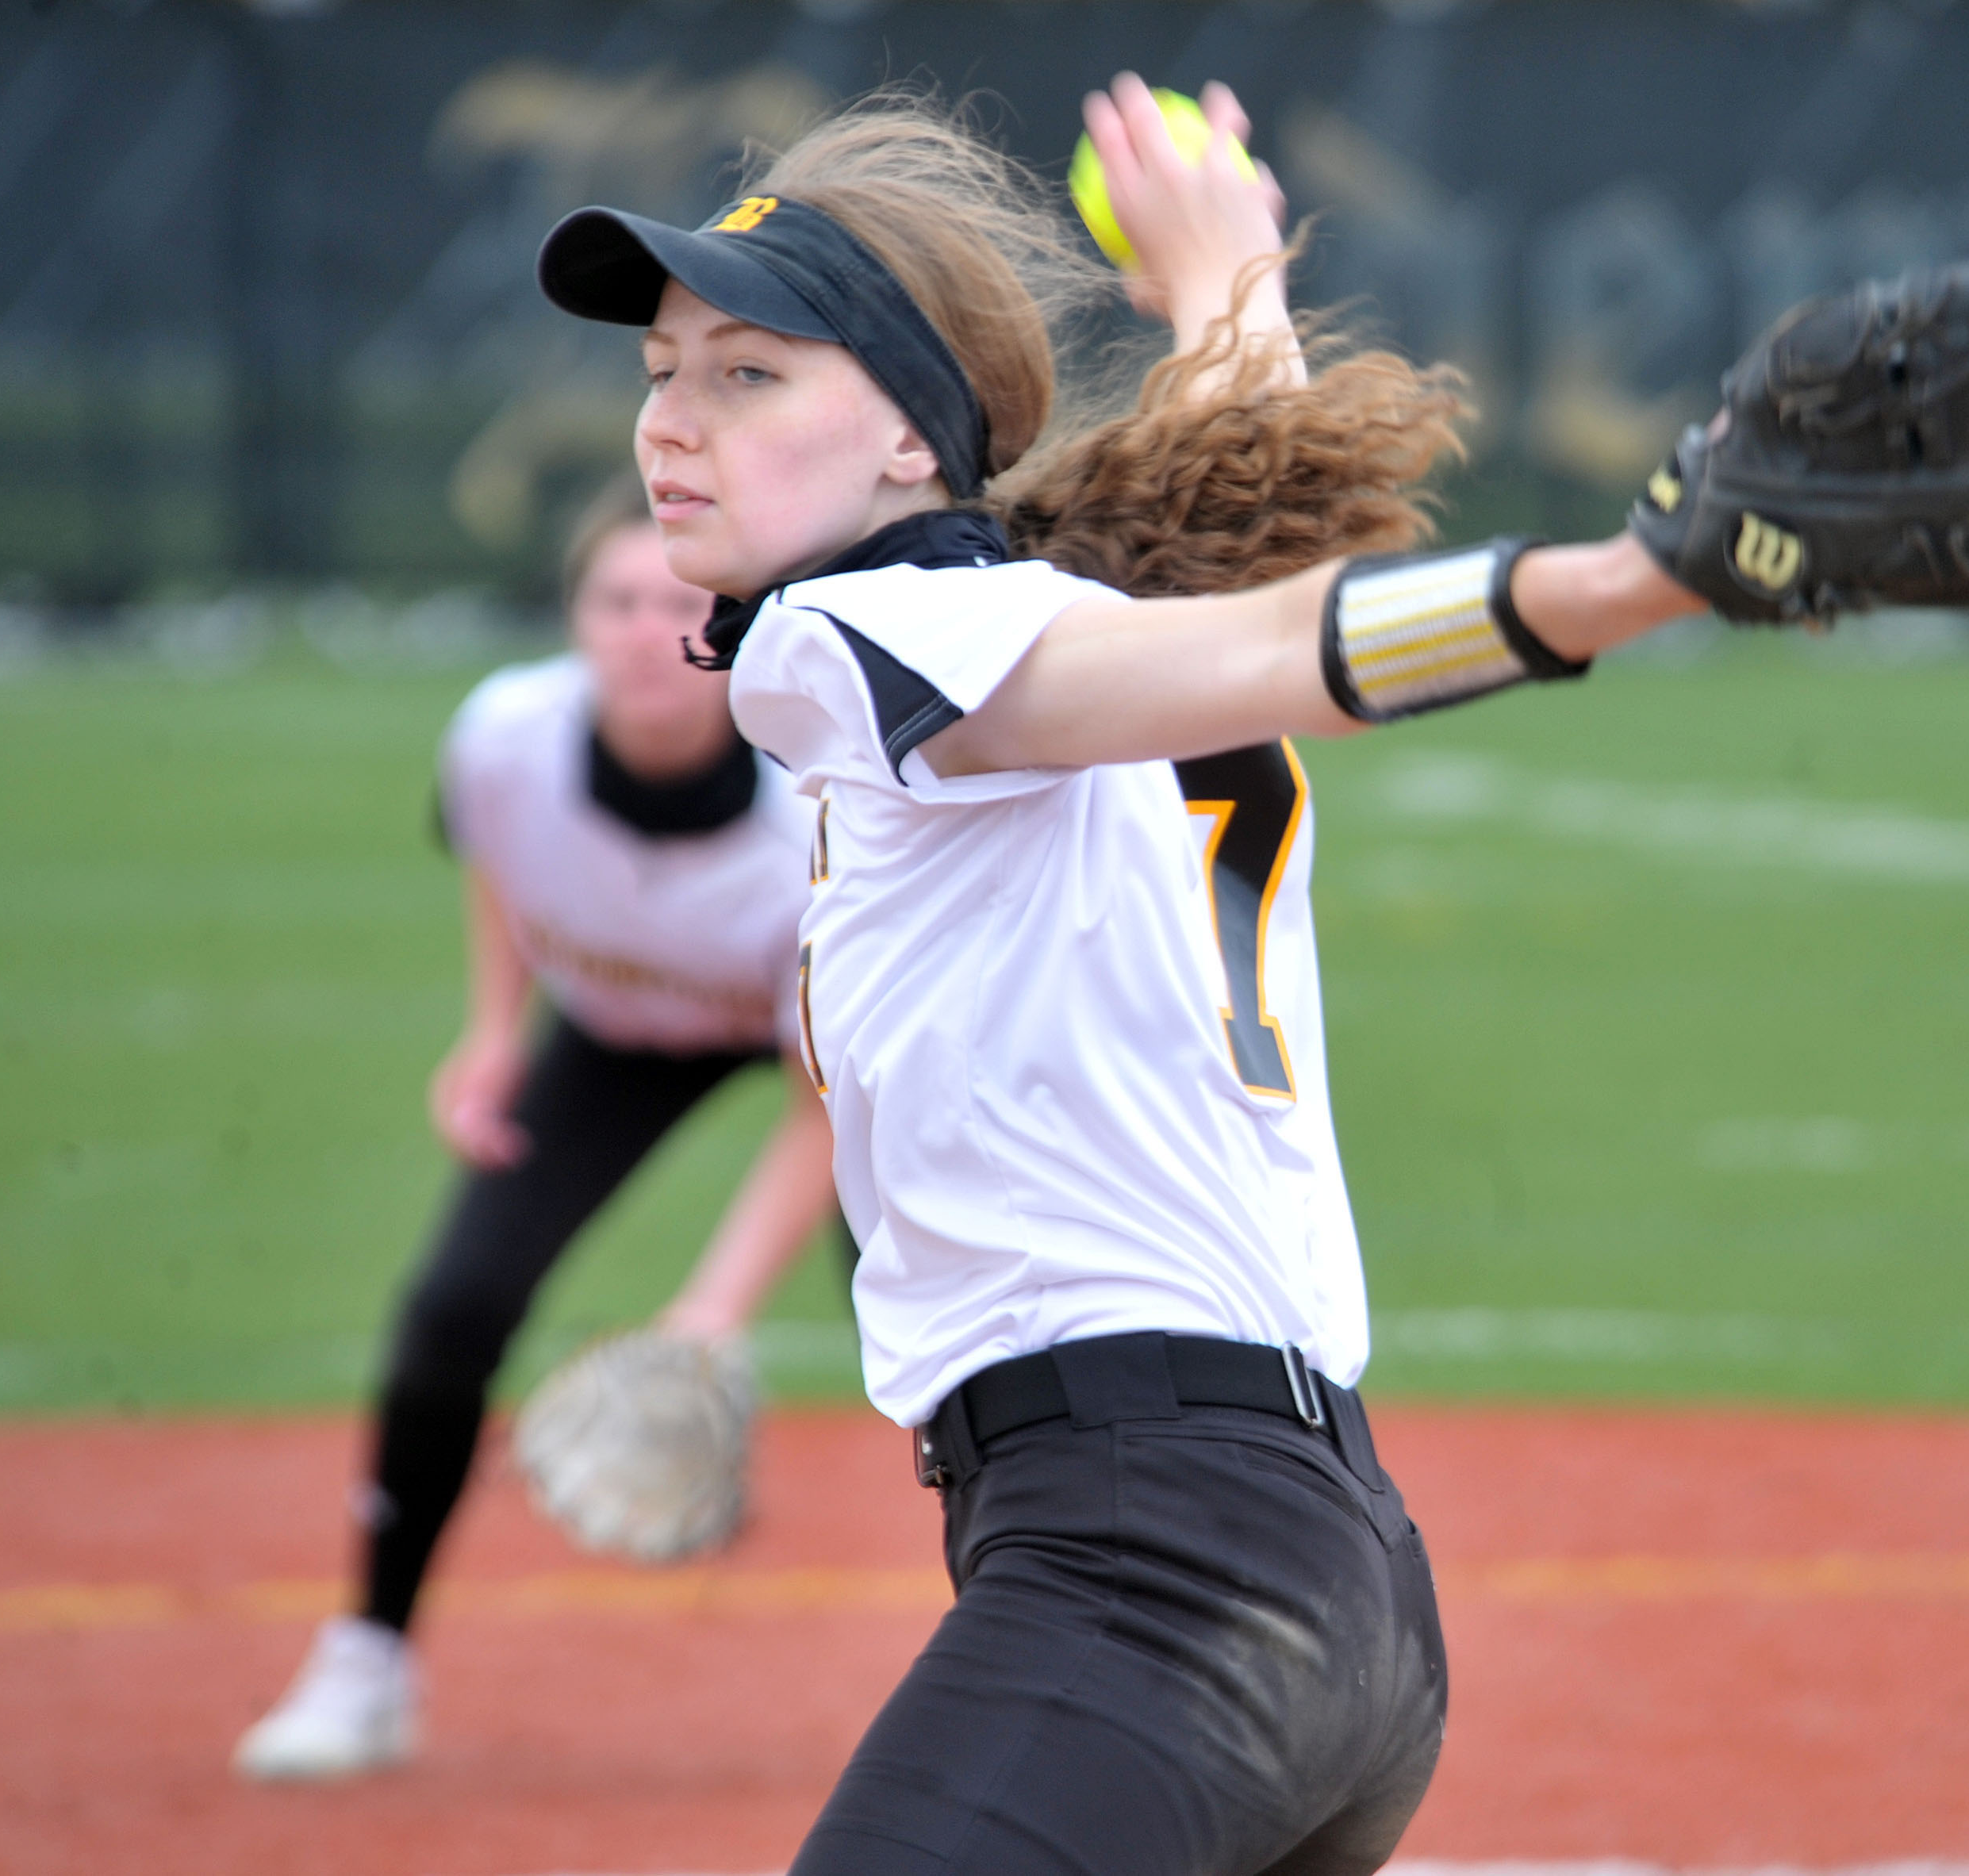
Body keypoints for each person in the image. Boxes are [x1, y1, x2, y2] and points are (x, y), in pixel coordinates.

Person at [532, 75, 1706, 1876]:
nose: (674, 421)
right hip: (1337, 1584)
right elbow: (1253, 558)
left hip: (1150, 1577)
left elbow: (1284, 641)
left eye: (749, 375)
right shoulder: (1071, 611)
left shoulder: (858, 635)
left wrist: (1622, 580)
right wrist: (1227, 278)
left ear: (914, 444)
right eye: (661, 373)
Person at [233, 478, 841, 1783]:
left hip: (827, 1056)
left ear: (738, 631)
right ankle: (369, 1658)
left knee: (946, 1338)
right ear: (572, 620)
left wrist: (711, 1310)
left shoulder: (817, 815)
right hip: (616, 1028)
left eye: (684, 604)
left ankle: (1030, 1655)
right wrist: (494, 1030)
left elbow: (828, 1102)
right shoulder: (504, 735)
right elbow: (506, 860)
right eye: (614, 601)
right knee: (455, 1307)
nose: (643, 630)